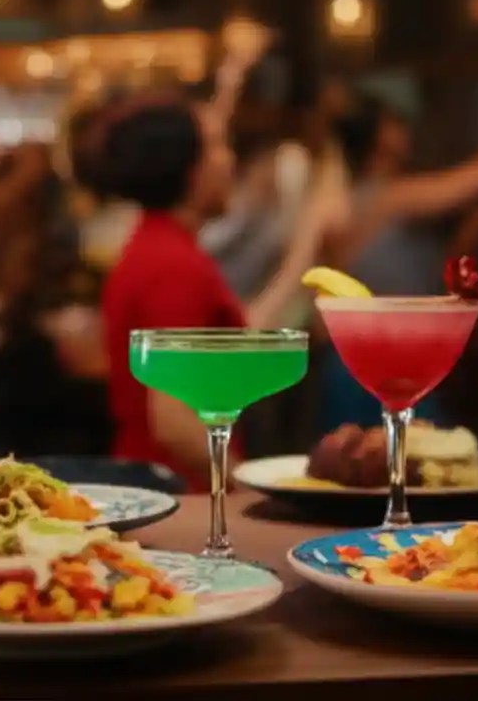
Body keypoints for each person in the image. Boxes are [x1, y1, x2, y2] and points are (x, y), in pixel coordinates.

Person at [98, 95, 330, 491]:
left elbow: (229, 342)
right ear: (187, 169)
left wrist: (302, 255)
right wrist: (243, 486)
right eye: (216, 146)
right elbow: (172, 421)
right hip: (178, 490)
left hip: (161, 482)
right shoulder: (172, 265)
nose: (229, 161)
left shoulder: (160, 244)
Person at [318, 67, 478, 431]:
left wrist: (468, 240)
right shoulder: (392, 197)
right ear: (379, 136)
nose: (405, 130)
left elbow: (398, 276)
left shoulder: (355, 201)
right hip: (384, 366)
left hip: (357, 363)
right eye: (395, 123)